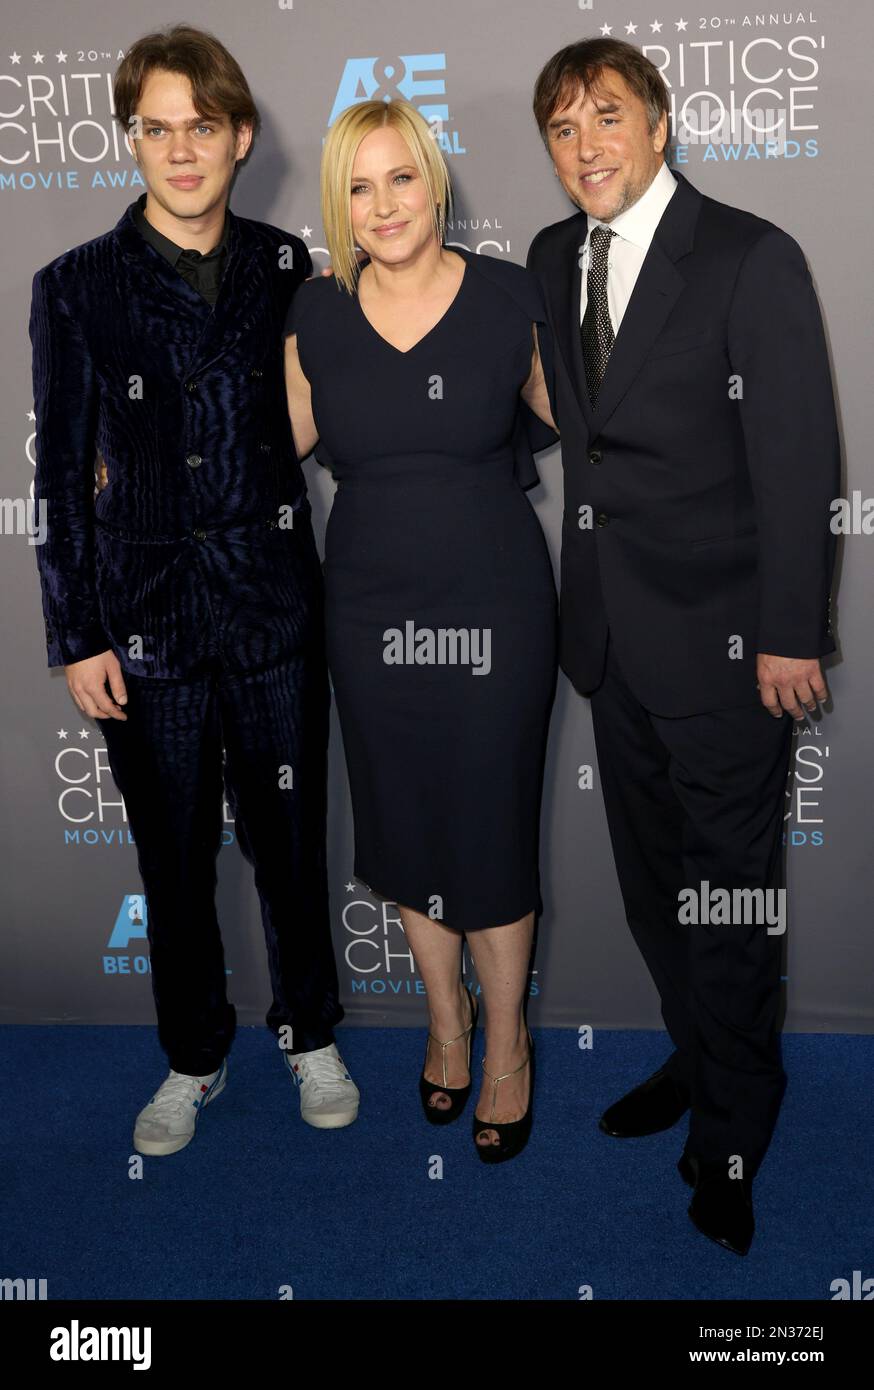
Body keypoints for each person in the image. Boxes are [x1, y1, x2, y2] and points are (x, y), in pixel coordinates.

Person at [527, 38, 839, 1252]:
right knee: (659, 889)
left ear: (660, 125)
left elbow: (800, 456)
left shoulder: (751, 255)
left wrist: (785, 634)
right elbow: (577, 421)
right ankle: (694, 1057)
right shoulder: (555, 257)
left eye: (606, 116)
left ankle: (733, 1122)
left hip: (727, 650)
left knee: (729, 896)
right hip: (607, 635)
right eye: (561, 128)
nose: (585, 145)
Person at [30, 24, 358, 1155]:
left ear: (240, 137)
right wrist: (78, 633)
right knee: (170, 860)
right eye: (156, 129)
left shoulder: (284, 269)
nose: (179, 152)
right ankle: (192, 1053)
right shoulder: (73, 288)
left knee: (291, 840)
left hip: (271, 611)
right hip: (147, 625)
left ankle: (310, 1029)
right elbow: (58, 478)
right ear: (131, 140)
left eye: (200, 127)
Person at [284, 98, 559, 1163]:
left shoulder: (507, 296)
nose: (384, 204)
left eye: (402, 178)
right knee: (405, 825)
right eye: (360, 185)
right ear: (339, 206)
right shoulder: (316, 315)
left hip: (496, 601)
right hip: (367, 607)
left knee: (489, 822)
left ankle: (508, 1049)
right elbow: (264, 445)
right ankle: (446, 1028)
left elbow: (585, 416)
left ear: (434, 184)